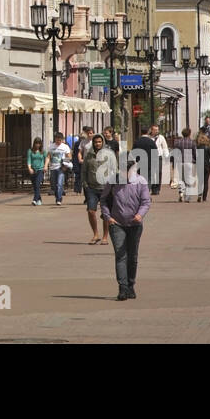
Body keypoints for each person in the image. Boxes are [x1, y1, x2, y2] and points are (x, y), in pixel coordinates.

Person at [101, 151, 152, 301]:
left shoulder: (141, 181)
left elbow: (146, 202)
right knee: (121, 255)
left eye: (128, 169)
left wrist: (140, 214)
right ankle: (122, 288)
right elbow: (103, 200)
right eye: (123, 169)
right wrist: (108, 217)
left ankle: (131, 285)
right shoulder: (113, 181)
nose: (126, 173)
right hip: (117, 223)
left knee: (133, 256)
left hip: (135, 224)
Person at [83, 134, 118, 244]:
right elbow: (84, 170)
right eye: (95, 142)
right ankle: (96, 234)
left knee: (105, 214)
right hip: (92, 188)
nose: (97, 144)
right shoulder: (89, 155)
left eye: (99, 142)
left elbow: (115, 169)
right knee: (91, 211)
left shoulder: (109, 154)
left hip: (106, 188)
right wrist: (85, 184)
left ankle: (105, 237)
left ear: (103, 142)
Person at [173, 127, 199, 201]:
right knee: (189, 179)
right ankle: (188, 197)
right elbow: (195, 153)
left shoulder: (178, 143)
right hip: (189, 162)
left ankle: (181, 192)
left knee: (181, 179)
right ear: (189, 134)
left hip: (180, 162)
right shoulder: (192, 142)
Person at [47, 132, 72, 205]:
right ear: (55, 139)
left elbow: (69, 157)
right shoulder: (51, 146)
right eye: (57, 140)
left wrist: (65, 166)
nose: (58, 141)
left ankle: (59, 199)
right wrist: (46, 165)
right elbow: (48, 156)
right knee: (54, 185)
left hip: (61, 168)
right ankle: (57, 196)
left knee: (60, 184)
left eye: (60, 140)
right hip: (53, 168)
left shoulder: (65, 147)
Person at [133, 127, 159, 196]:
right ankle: (146, 193)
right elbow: (155, 153)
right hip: (149, 163)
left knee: (139, 179)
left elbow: (133, 153)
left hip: (140, 163)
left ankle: (140, 193)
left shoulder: (137, 141)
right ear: (147, 132)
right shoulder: (151, 141)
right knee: (149, 179)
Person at [26, 137, 48, 206]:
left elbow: (46, 159)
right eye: (36, 143)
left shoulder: (43, 152)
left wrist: (45, 166)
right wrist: (29, 168)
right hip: (33, 169)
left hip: (40, 170)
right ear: (34, 143)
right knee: (35, 186)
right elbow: (29, 160)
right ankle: (39, 199)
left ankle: (35, 200)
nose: (37, 145)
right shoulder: (30, 151)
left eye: (39, 143)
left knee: (37, 184)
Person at [196, 131, 210, 202]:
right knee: (206, 182)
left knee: (200, 182)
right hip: (206, 166)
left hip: (199, 166)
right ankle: (204, 198)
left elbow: (195, 157)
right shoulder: (208, 147)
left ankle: (199, 194)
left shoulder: (197, 147)